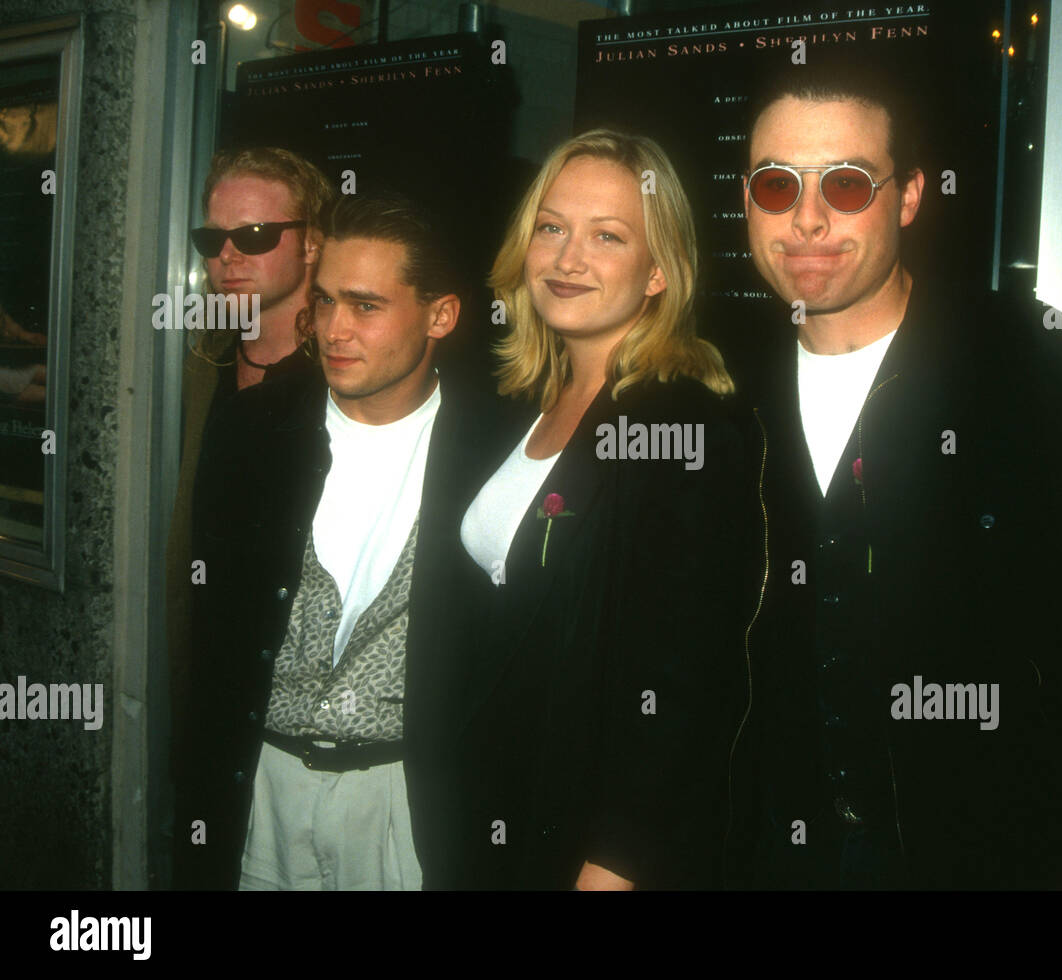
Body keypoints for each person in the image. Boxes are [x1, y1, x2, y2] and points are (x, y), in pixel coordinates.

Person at [726, 57, 1062, 889]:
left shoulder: (1028, 362)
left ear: (909, 196)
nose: (807, 220)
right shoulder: (720, 390)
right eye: (777, 187)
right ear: (745, 200)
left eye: (846, 186)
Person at [404, 130, 752, 890]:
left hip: (584, 847)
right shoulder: (512, 406)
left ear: (659, 271)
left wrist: (614, 863)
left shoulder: (677, 424)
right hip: (483, 821)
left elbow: (684, 678)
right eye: (552, 227)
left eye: (608, 236)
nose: (567, 259)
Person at [174, 191, 481, 889]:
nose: (334, 330)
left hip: (405, 800)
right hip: (263, 786)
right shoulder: (254, 430)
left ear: (441, 314)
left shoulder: (494, 446)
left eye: (367, 306)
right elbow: (213, 634)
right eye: (326, 302)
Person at [165, 147, 334, 826]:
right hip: (209, 705)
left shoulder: (347, 382)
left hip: (311, 728)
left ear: (314, 243)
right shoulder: (195, 367)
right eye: (214, 239)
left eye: (257, 236)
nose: (229, 255)